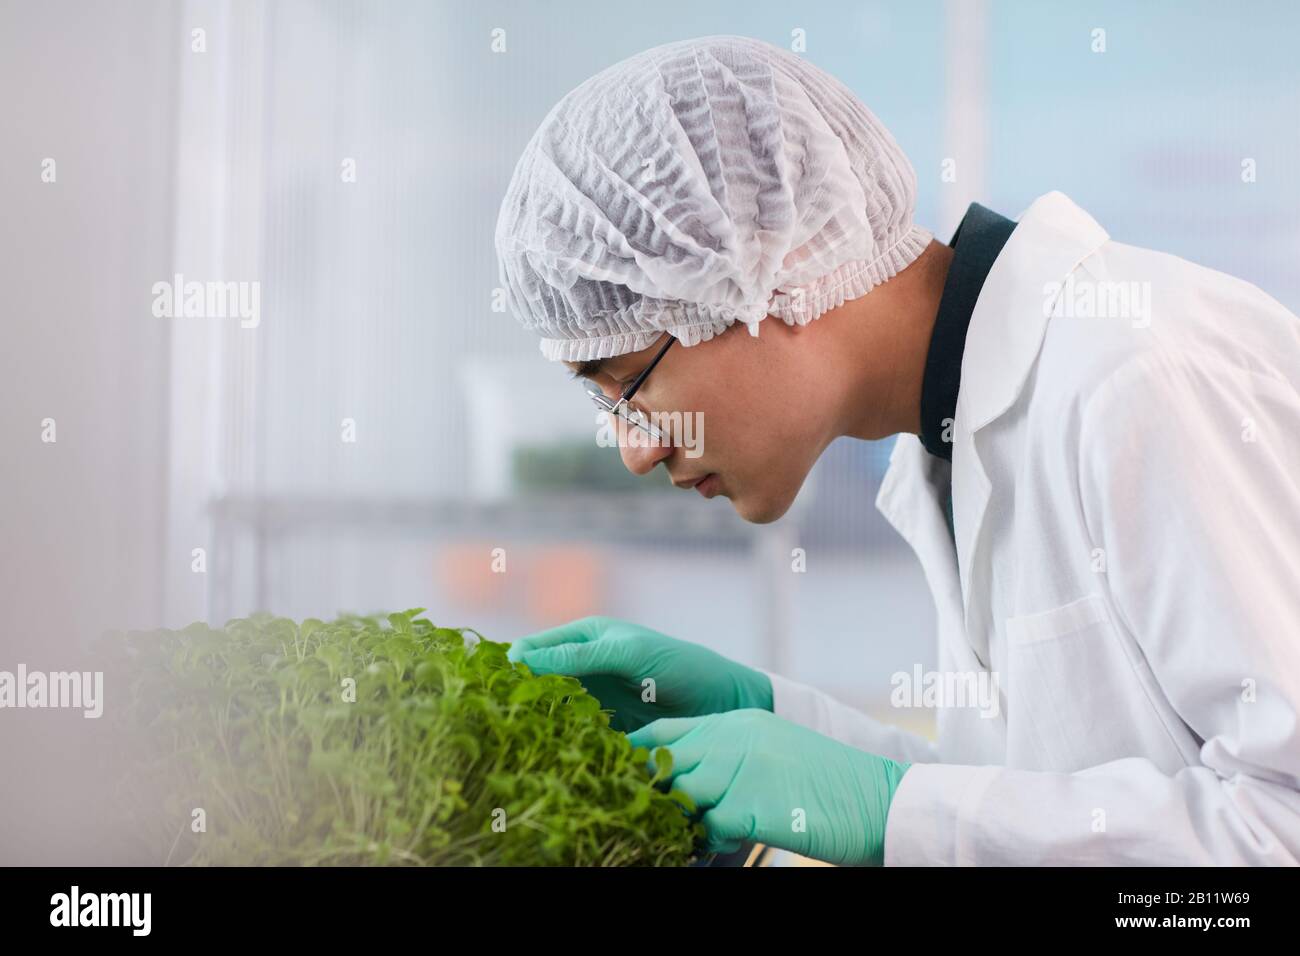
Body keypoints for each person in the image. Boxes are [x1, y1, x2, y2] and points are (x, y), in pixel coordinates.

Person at [493, 35, 1300, 865]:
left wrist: (891, 814)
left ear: (760, 275)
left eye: (628, 382)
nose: (632, 450)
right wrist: (775, 719)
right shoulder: (943, 445)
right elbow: (1029, 799)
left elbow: (1280, 827)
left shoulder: (1137, 377)